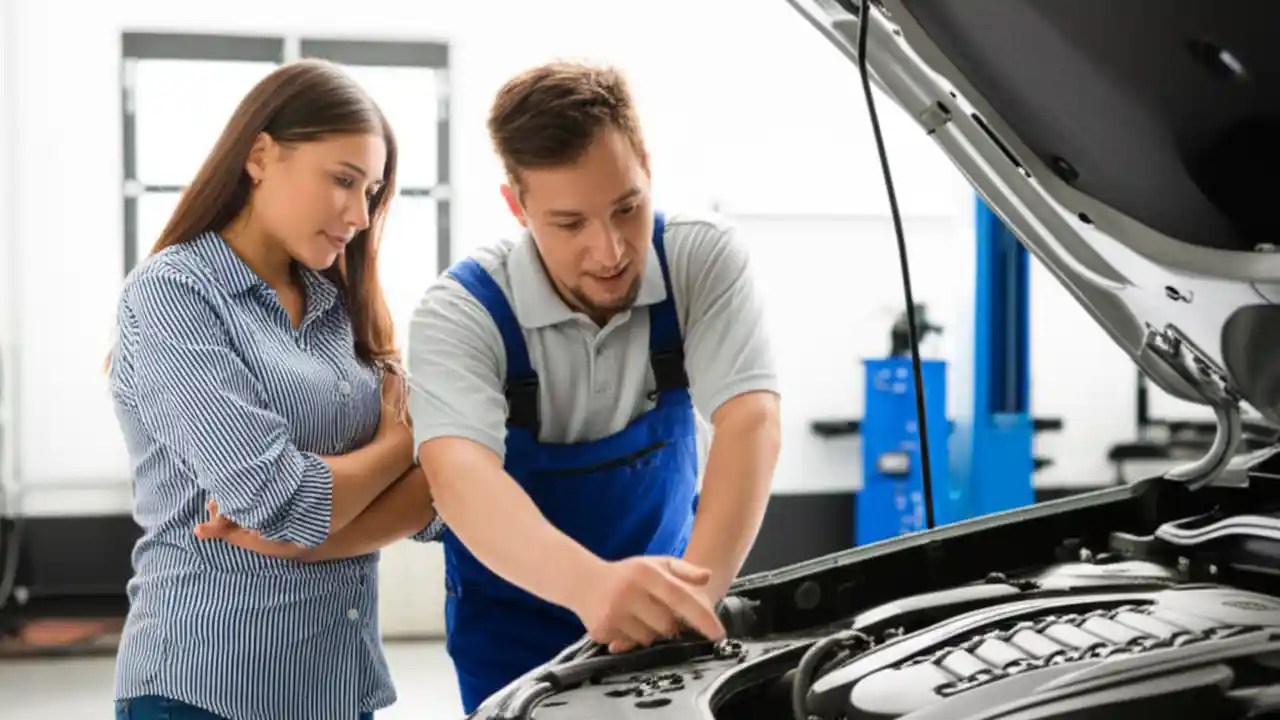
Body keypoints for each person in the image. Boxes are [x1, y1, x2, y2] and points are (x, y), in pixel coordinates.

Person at [407, 60, 782, 712]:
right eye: (570, 224)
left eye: (627, 208)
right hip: (511, 635)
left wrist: (693, 601)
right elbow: (459, 475)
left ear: (645, 162)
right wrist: (594, 589)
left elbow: (752, 421)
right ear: (516, 205)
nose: (609, 251)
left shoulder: (702, 259)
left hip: (673, 613)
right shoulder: (460, 311)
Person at [106, 59, 439, 720]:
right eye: (342, 180)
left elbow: (440, 502)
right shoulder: (174, 294)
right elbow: (278, 500)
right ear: (260, 156)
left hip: (338, 690)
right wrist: (402, 445)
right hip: (205, 690)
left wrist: (332, 503)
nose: (360, 214)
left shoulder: (337, 307)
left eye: (371, 190)